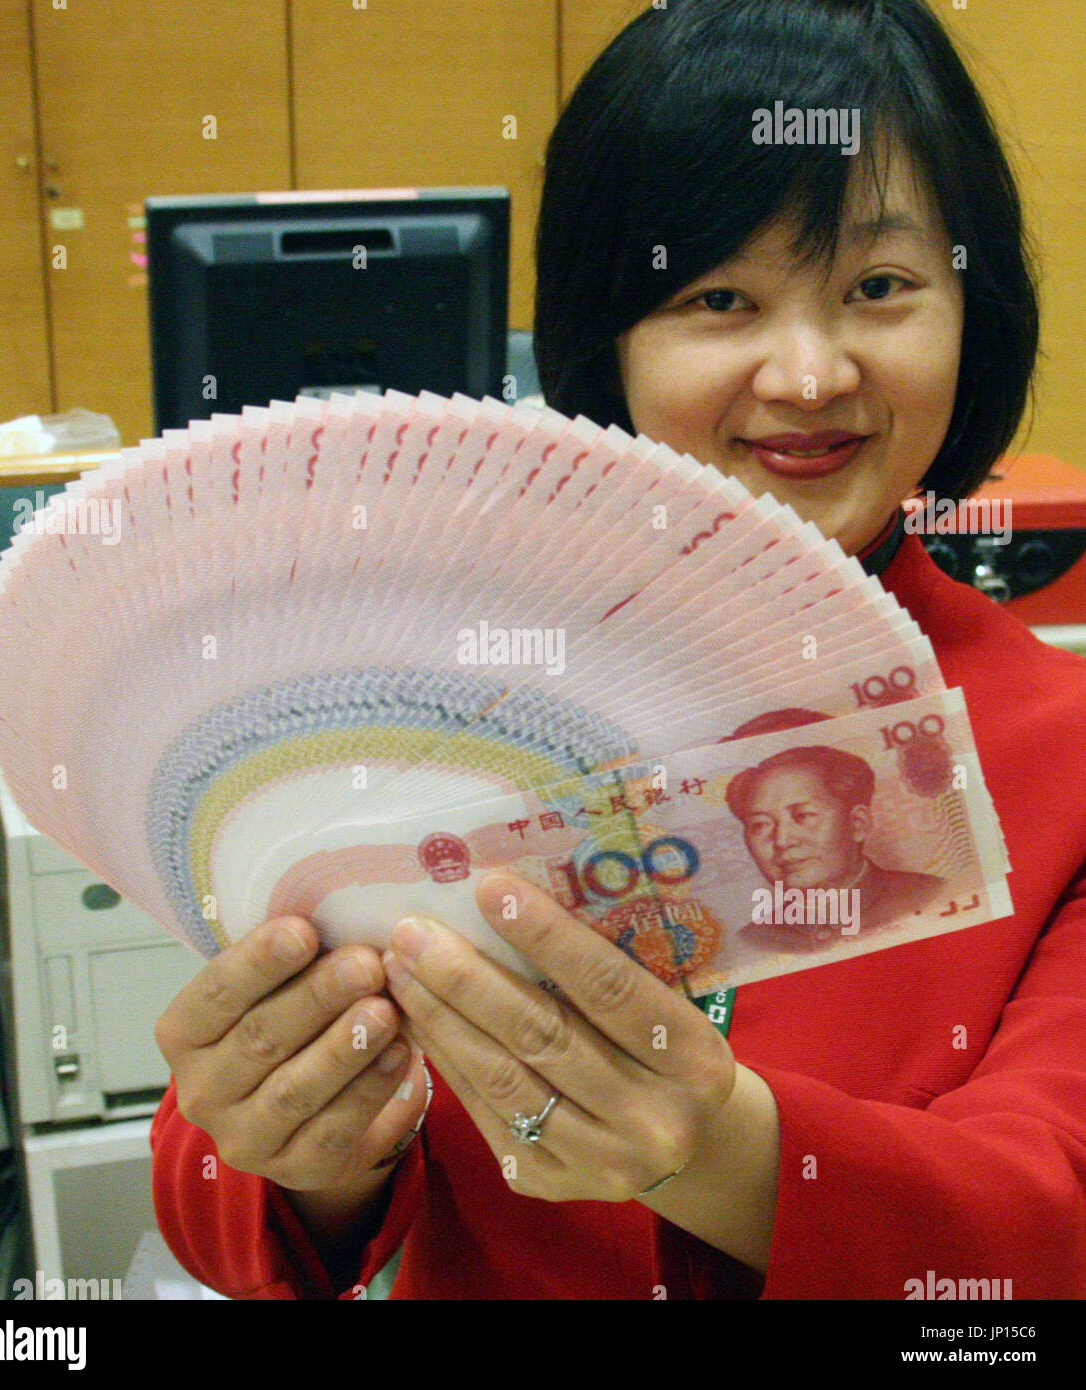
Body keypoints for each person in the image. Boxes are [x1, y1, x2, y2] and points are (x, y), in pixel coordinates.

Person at [151, 0, 1086, 1299]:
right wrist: (302, 1150)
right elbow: (217, 1200)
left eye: (876, 287)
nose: (807, 373)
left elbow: (1046, 1233)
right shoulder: (430, 687)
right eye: (719, 296)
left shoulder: (1058, 743)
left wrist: (723, 1152)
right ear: (611, 332)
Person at [725, 744, 945, 950]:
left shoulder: (932, 897)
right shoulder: (753, 942)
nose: (782, 841)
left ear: (857, 824)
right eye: (761, 825)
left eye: (804, 816)